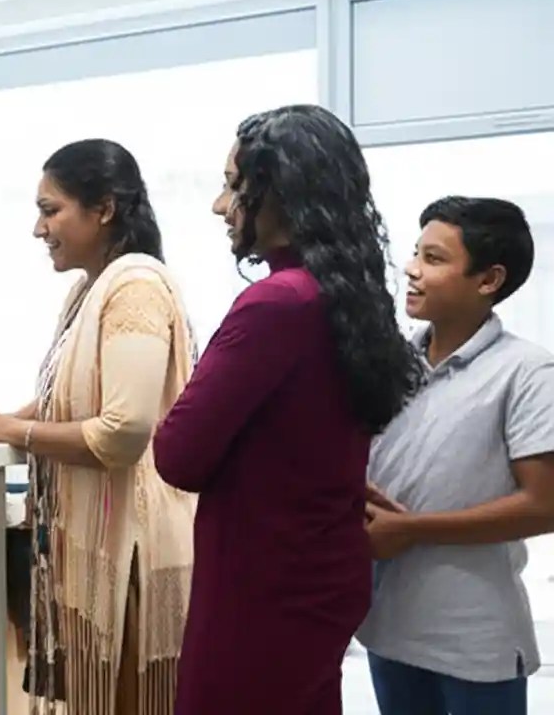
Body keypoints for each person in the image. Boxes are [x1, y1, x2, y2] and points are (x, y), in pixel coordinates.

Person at [151, 104, 423, 715]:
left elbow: (178, 456)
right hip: (322, 571)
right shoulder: (349, 293)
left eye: (232, 186)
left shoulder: (273, 304)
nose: (221, 206)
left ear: (279, 193)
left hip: (262, 585)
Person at [0, 138, 197, 715]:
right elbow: (65, 399)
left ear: (103, 209)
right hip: (99, 549)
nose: (39, 229)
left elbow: (121, 432)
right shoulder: (89, 289)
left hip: (133, 551)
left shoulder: (134, 286)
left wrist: (9, 429)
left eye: (50, 209)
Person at [358, 196, 554, 715]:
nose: (412, 270)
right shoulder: (392, 363)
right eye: (416, 253)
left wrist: (413, 529)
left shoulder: (527, 372)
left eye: (435, 259)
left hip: (475, 640)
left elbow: (544, 505)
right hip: (389, 628)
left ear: (488, 280)